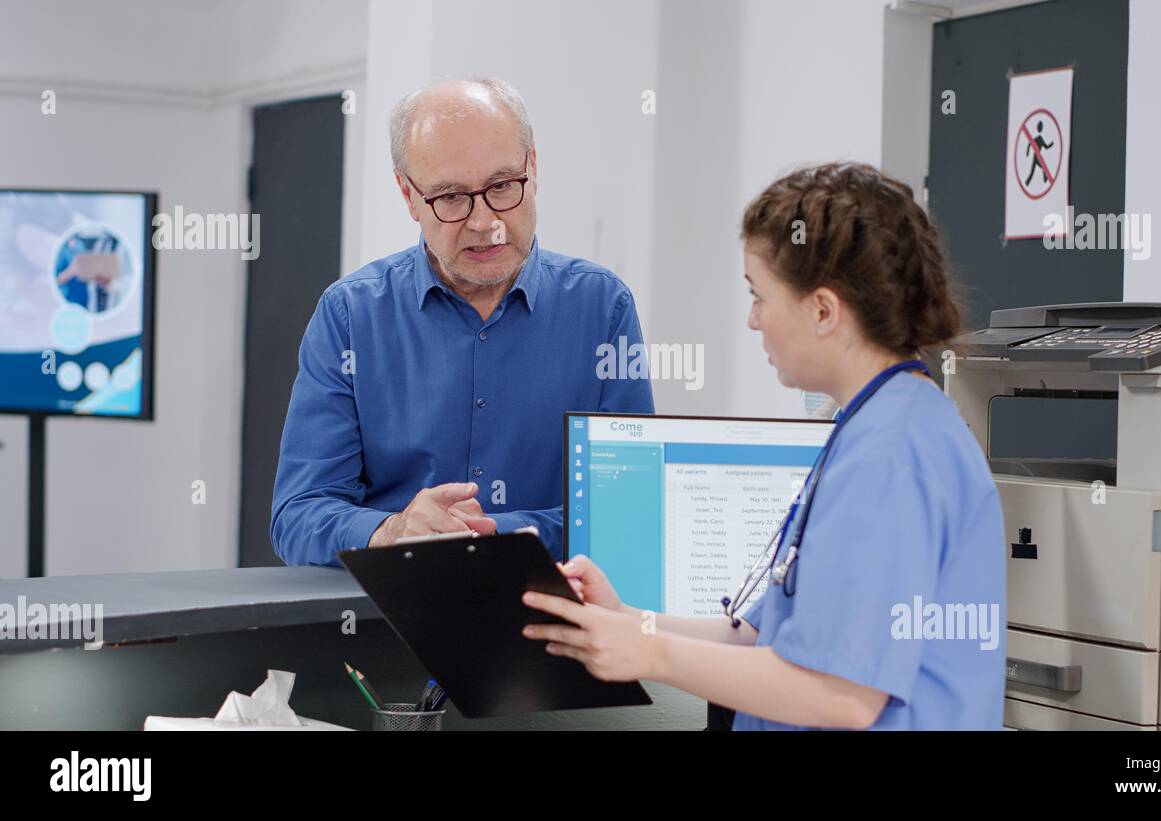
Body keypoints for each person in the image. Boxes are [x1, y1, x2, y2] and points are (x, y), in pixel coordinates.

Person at [524, 162, 1006, 730]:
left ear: (823, 310)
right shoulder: (866, 428)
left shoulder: (893, 454)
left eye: (760, 297)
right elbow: (759, 635)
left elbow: (843, 696)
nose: (752, 321)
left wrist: (649, 654)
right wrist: (629, 619)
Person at [271, 78, 653, 566]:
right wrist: (393, 531)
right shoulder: (350, 316)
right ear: (408, 195)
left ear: (532, 169)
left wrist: (496, 534)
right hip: (386, 628)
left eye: (501, 187)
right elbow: (297, 516)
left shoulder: (603, 309)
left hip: (553, 629)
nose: (484, 221)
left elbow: (630, 510)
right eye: (451, 197)